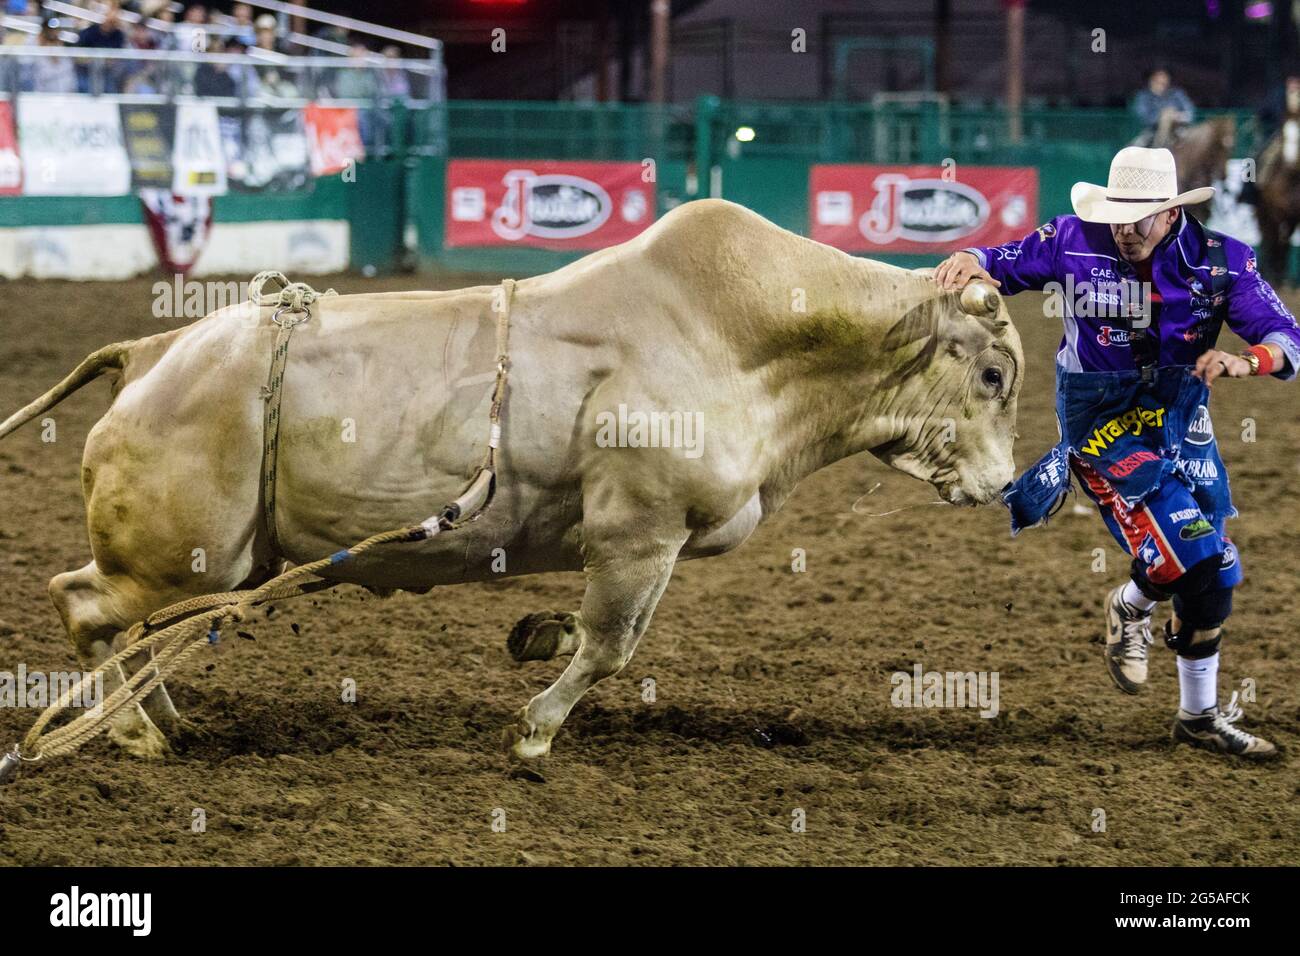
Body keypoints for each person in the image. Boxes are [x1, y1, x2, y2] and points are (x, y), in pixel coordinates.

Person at [934, 147, 1300, 759]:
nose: (1126, 229)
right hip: (1103, 423)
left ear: (1171, 213)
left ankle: (1195, 715)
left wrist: (1249, 359)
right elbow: (1002, 260)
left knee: (1215, 575)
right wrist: (971, 258)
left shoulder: (1223, 263)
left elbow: (1286, 336)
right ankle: (1133, 609)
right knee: (1191, 553)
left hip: (1183, 420)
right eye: (1118, 214)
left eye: (1142, 216)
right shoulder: (1073, 240)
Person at [1133, 69, 1195, 148]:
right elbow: (1144, 118)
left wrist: (1176, 116)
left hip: (1179, 129)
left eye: (1164, 77)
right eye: (1158, 78)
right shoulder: (1144, 96)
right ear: (1151, 80)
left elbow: (1190, 113)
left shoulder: (1176, 94)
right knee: (1135, 148)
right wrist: (1163, 116)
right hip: (1152, 131)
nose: (1162, 81)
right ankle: (1159, 148)